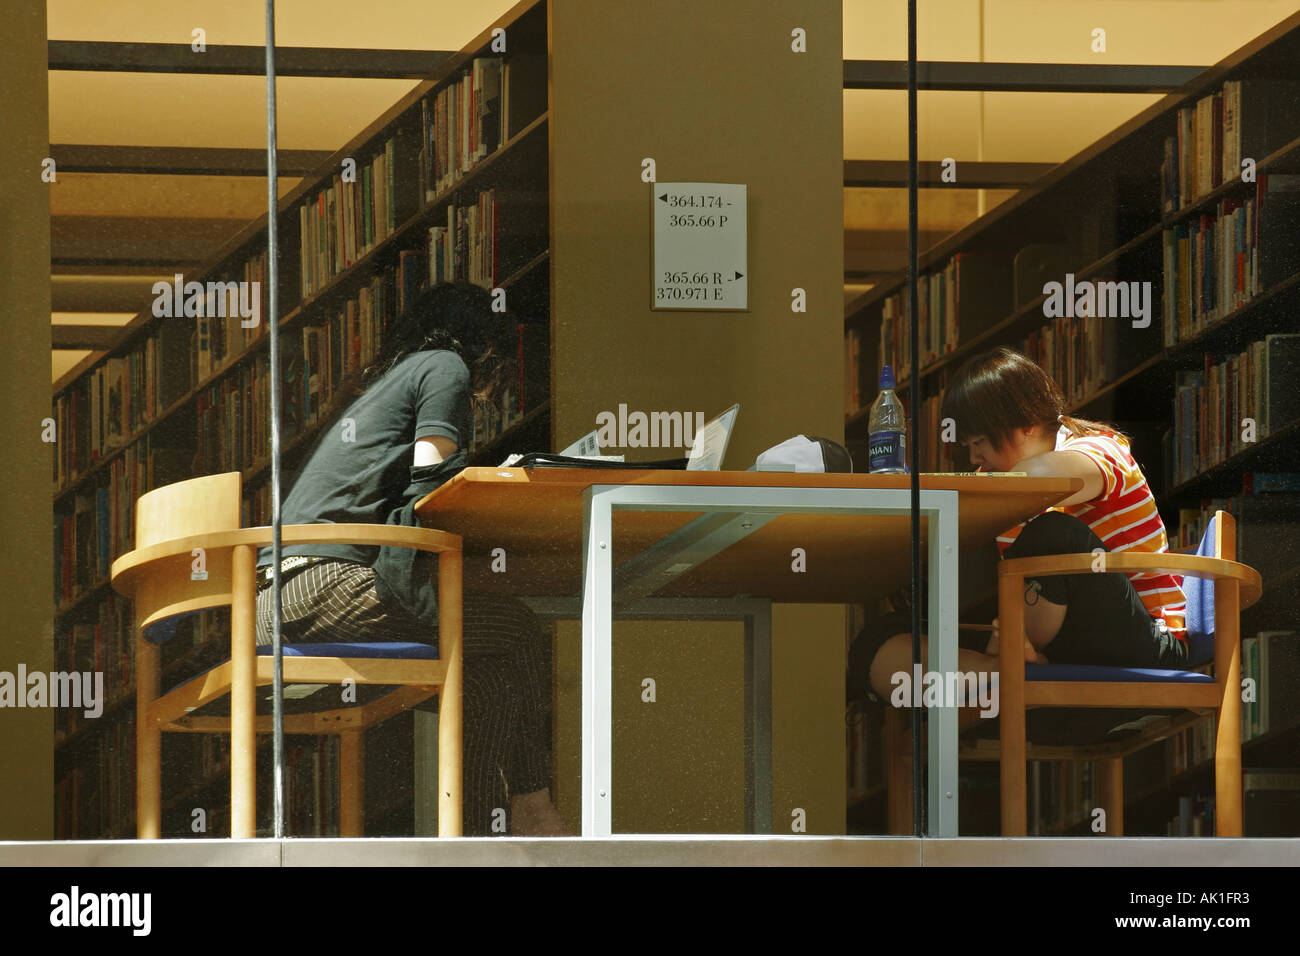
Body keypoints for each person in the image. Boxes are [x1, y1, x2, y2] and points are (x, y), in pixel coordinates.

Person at [254, 280, 570, 836]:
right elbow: (430, 480)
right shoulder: (444, 366)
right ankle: (535, 808)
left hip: (273, 599)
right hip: (323, 588)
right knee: (520, 627)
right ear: (486, 345)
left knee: (487, 683)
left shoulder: (386, 384)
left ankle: (471, 838)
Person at [851, 345, 1189, 707]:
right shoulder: (999, 481)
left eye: (979, 442)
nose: (975, 458)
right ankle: (1006, 671)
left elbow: (1043, 476)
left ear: (1025, 423)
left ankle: (1008, 663)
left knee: (1053, 535)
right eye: (968, 445)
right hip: (1059, 645)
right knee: (882, 637)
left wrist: (978, 490)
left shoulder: (1100, 449)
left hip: (1143, 640)